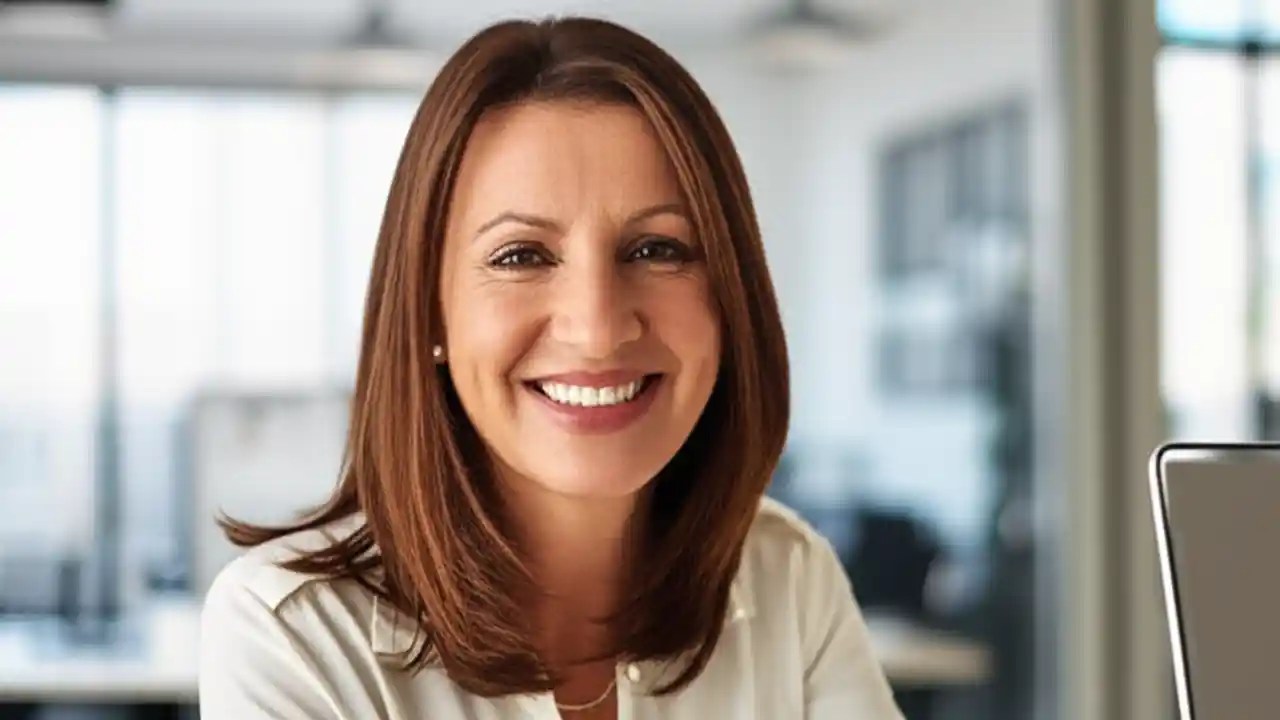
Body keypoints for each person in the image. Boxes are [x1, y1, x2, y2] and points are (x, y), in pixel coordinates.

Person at [198, 15, 904, 720]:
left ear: (729, 297)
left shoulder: (787, 576)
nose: (597, 331)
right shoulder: (292, 633)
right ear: (429, 314)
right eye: (520, 257)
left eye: (657, 250)